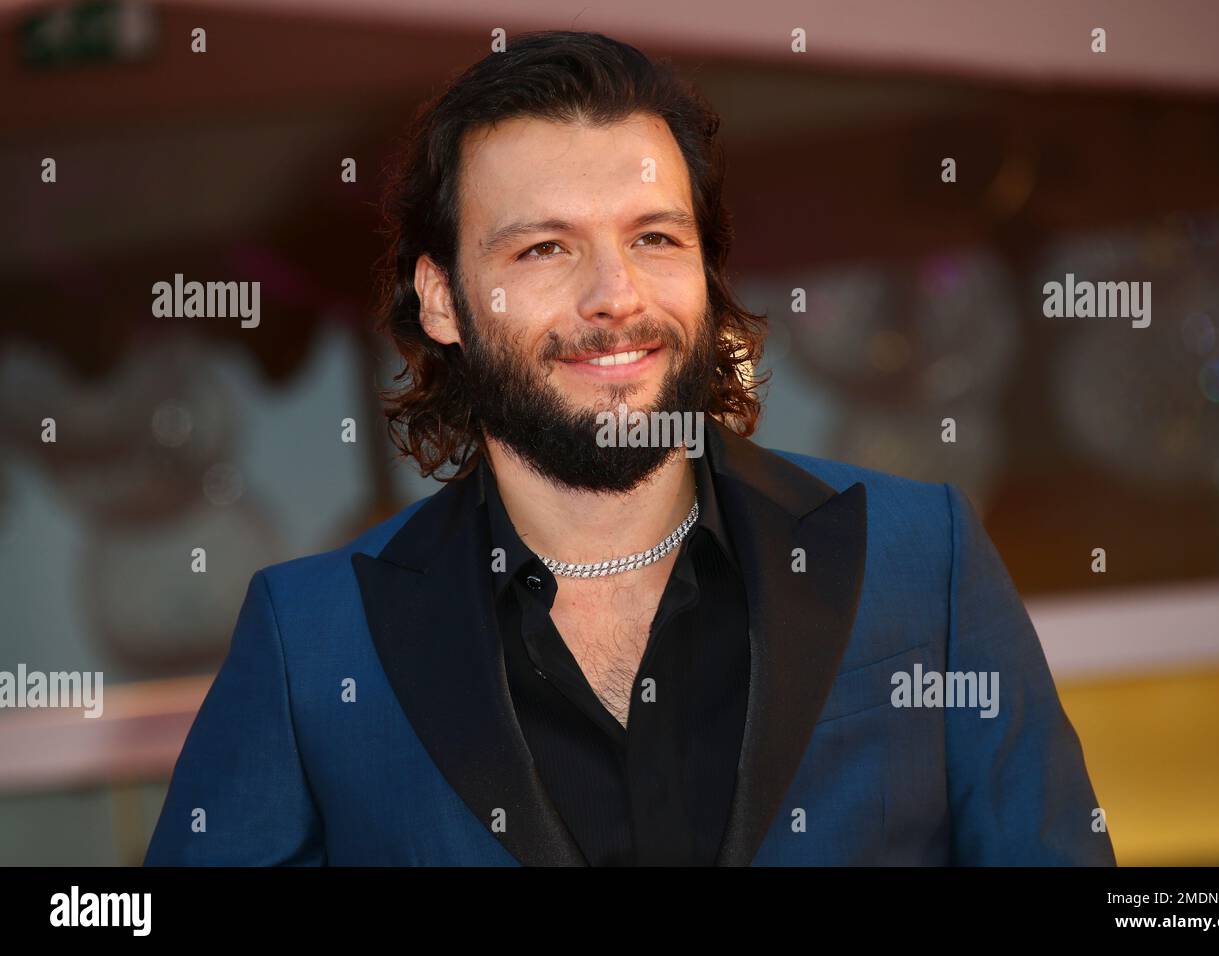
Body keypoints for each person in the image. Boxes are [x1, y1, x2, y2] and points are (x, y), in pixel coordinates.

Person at [144, 30, 1115, 867]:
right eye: (544, 248)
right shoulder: (310, 639)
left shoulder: (924, 560)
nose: (616, 294)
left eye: (654, 237)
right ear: (441, 299)